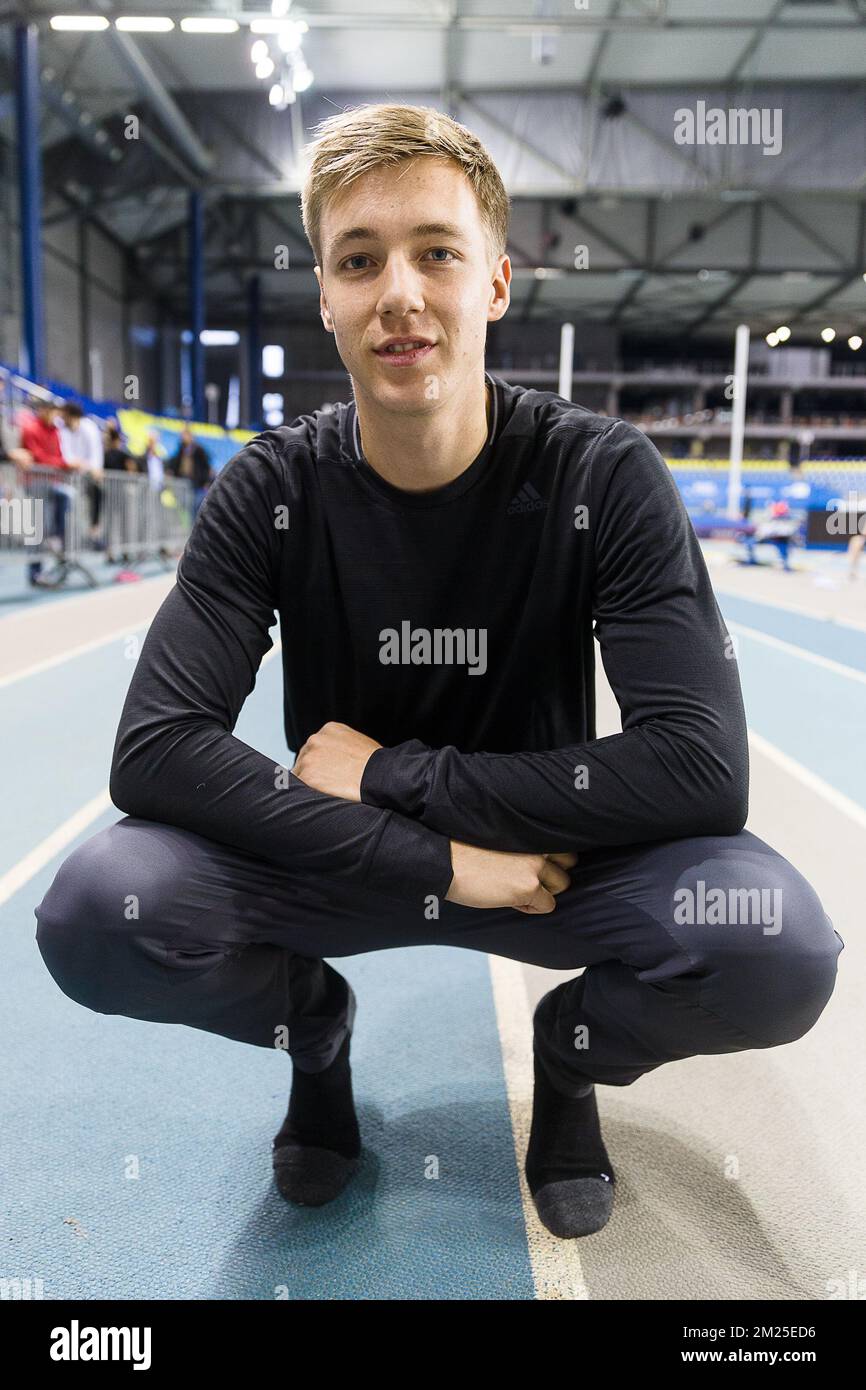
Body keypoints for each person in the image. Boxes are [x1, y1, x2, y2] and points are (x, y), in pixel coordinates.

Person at [34, 104, 843, 1242]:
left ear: (496, 283)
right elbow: (158, 750)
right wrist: (438, 860)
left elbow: (701, 768)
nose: (397, 293)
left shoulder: (601, 475)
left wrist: (396, 777)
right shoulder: (270, 490)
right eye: (358, 261)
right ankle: (313, 1030)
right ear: (325, 297)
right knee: (96, 913)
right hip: (356, 863)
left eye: (435, 252)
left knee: (774, 944)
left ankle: (567, 1064)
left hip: (553, 864)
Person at [16, 398, 86, 585]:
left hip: (52, 483)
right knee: (39, 527)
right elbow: (39, 457)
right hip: (36, 483)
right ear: (43, 410)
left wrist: (65, 464)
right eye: (53, 411)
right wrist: (64, 465)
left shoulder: (56, 431)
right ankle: (35, 572)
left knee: (68, 496)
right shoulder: (30, 428)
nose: (56, 415)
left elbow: (58, 456)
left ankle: (56, 539)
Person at [59, 402, 104, 544]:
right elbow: (65, 451)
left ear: (72, 416)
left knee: (96, 497)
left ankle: (94, 531)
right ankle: (68, 540)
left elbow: (96, 451)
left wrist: (94, 467)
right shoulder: (62, 429)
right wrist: (73, 463)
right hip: (70, 474)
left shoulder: (89, 427)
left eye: (65, 415)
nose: (62, 418)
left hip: (88, 474)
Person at [169, 426, 213, 517]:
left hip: (197, 485)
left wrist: (206, 481)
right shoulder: (181, 449)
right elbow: (175, 463)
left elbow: (206, 466)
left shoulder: (199, 449)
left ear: (190, 436)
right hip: (184, 482)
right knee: (185, 508)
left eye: (185, 435)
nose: (183, 438)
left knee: (194, 509)